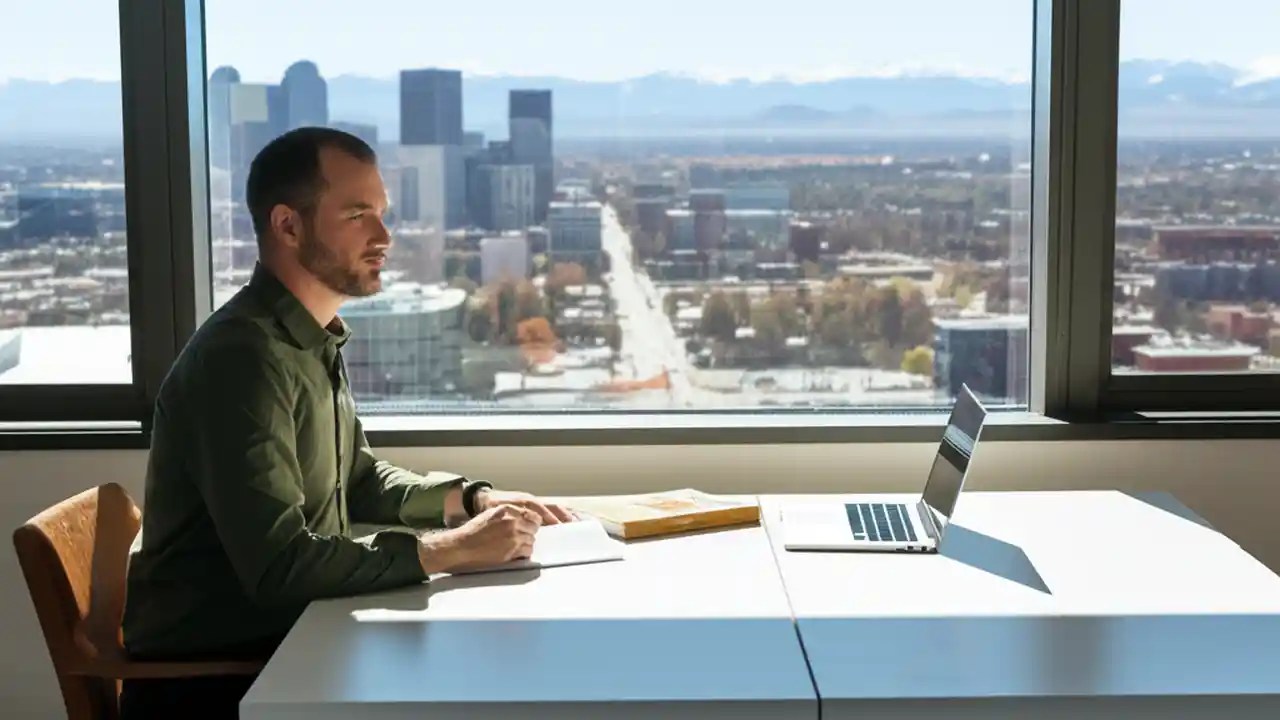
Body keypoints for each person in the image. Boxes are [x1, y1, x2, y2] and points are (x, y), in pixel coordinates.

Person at [119, 127, 573, 718]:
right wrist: (447, 551)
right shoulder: (242, 359)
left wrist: (470, 499)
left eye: (382, 214)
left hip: (298, 643)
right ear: (288, 225)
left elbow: (357, 480)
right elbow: (280, 567)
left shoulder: (309, 340)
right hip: (226, 682)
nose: (384, 236)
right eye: (359, 215)